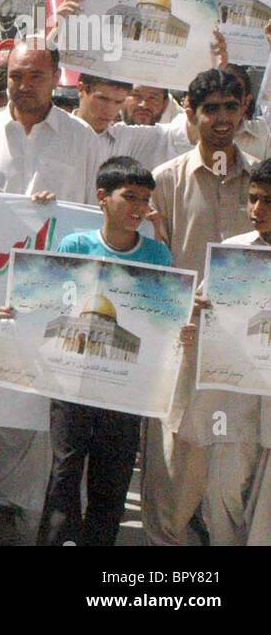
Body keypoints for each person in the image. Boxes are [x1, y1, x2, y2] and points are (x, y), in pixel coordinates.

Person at [0, 33, 99, 544]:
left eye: (34, 76)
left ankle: (15, 512)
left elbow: (92, 215)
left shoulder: (81, 139)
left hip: (53, 292)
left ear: (55, 78)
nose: (23, 86)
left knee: (33, 404)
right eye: (14, 77)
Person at [27, 157, 183, 545]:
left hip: (125, 388)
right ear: (102, 197)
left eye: (144, 200)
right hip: (72, 382)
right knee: (64, 472)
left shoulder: (157, 256)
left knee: (111, 478)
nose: (138, 208)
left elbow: (162, 322)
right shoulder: (76, 245)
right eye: (129, 197)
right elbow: (52, 305)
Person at [144, 69, 262, 545]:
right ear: (190, 113)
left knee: (235, 487)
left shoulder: (263, 177)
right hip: (185, 351)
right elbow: (156, 269)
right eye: (210, 108)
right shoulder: (165, 182)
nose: (221, 118)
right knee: (175, 483)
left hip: (251, 357)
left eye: (230, 108)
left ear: (244, 110)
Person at [231, 159, 271, 544]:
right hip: (236, 398)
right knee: (224, 495)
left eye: (268, 202)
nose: (257, 210)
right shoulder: (233, 254)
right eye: (253, 199)